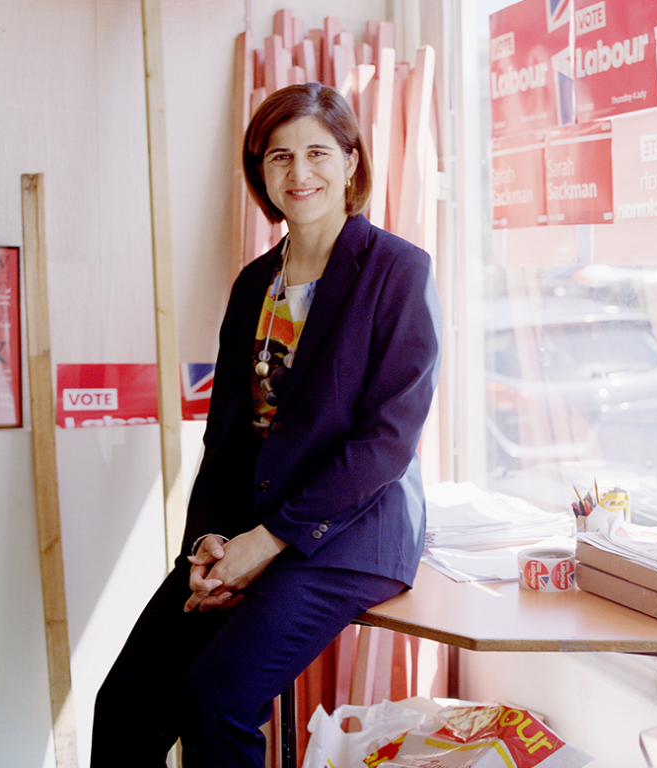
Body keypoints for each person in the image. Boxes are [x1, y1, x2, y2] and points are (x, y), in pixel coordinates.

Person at [90, 82, 442, 768]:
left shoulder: (398, 271)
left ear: (351, 162)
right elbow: (225, 438)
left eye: (317, 153)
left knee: (214, 703)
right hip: (248, 527)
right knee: (125, 704)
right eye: (279, 156)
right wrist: (208, 543)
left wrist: (268, 541)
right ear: (261, 172)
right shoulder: (255, 283)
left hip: (348, 533)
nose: (298, 172)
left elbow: (386, 443)